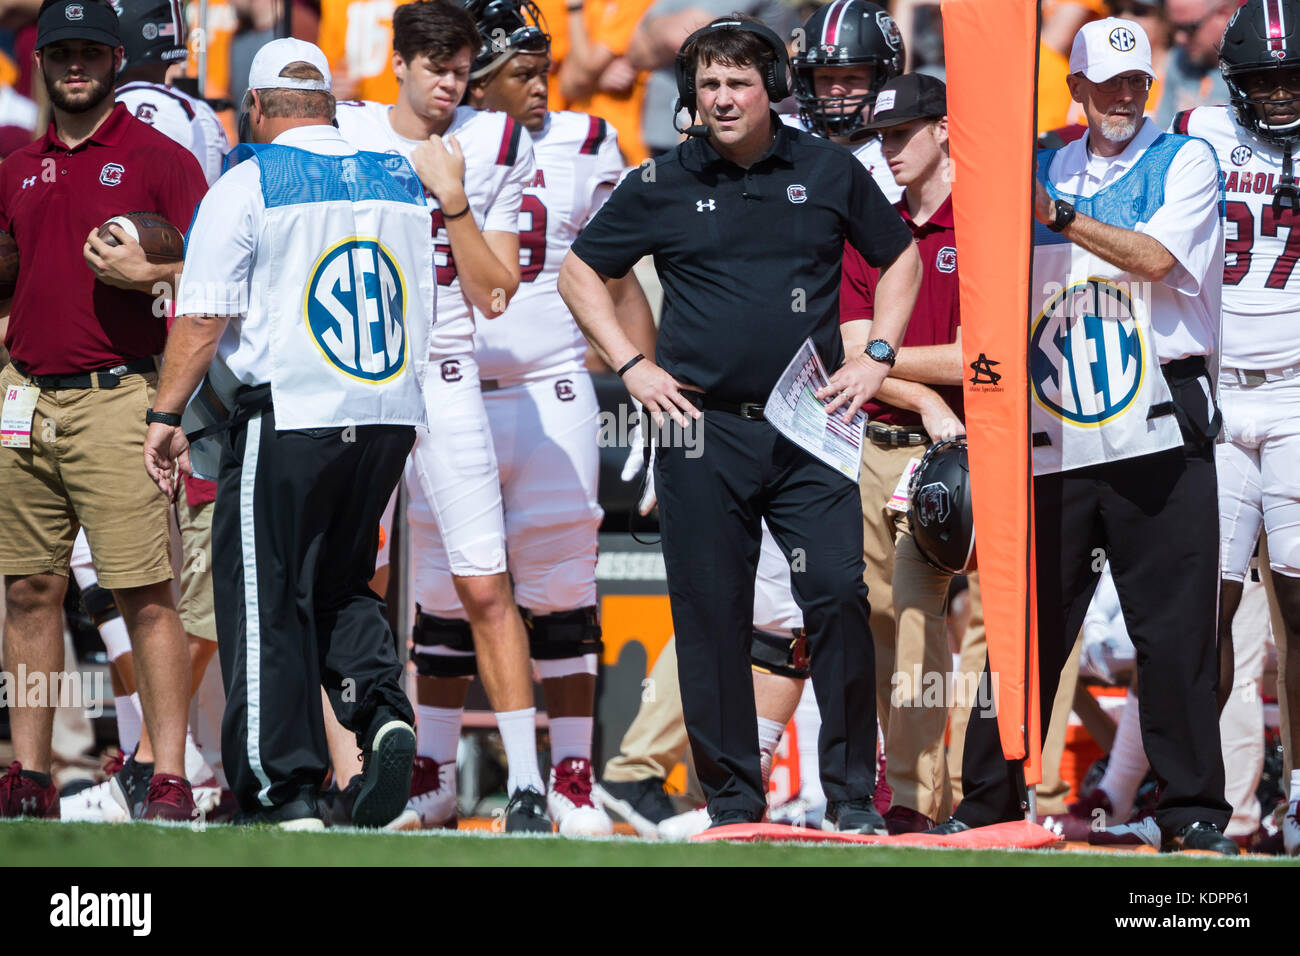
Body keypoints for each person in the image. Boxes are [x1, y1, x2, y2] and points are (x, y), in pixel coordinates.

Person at [560, 16, 921, 831]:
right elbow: (581, 270)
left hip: (808, 420)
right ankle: (733, 801)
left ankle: (853, 798)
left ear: (772, 91)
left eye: (737, 84)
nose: (721, 99)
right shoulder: (659, 180)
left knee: (835, 594)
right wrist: (630, 364)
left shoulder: (828, 170)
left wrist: (880, 357)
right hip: (700, 426)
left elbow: (899, 256)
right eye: (708, 85)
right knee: (710, 610)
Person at [932, 17, 1236, 855]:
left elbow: (1153, 260)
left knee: (1174, 631)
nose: (1123, 97)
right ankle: (987, 798)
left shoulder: (1185, 160)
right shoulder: (1033, 159)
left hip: (1160, 424)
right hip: (1051, 423)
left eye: (1135, 83)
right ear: (1076, 88)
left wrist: (1055, 214)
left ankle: (1192, 813)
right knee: (1026, 625)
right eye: (1106, 84)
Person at [143, 37, 431, 830]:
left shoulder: (250, 179)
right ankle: (380, 711)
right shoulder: (399, 176)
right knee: (342, 582)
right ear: (331, 106)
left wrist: (167, 416)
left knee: (263, 597)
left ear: (259, 108)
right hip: (386, 411)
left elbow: (202, 315)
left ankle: (283, 789)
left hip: (294, 408)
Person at [333, 0, 550, 832]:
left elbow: (495, 292)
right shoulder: (349, 131)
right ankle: (359, 774)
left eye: (460, 70)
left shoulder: (495, 142)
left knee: (484, 582)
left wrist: (453, 201)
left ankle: (526, 783)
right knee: (358, 580)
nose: (448, 85)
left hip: (450, 370)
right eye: (435, 68)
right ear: (400, 65)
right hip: (362, 369)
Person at [0, 0, 207, 822]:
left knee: (142, 591)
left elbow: (218, 283)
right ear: (41, 61)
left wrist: (152, 275)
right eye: (61, 51)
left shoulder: (162, 159)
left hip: (123, 394)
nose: (75, 64)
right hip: (24, 395)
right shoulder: (14, 167)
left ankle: (169, 772)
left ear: (118, 59)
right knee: (28, 590)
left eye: (91, 50)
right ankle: (30, 773)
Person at [1174, 0, 1300, 856]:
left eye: (1294, 77)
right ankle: (1197, 798)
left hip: (1298, 394)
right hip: (1214, 398)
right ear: (1237, 83)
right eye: (1267, 80)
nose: (1283, 94)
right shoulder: (1193, 130)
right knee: (1200, 612)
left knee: (1299, 605)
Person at [839, 71, 967, 834]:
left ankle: (920, 802)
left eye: (900, 134)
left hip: (950, 452)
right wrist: (919, 386)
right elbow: (851, 348)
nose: (886, 150)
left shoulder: (980, 226)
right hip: (874, 440)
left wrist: (885, 362)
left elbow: (983, 355)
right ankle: (908, 792)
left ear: (944, 129)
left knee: (921, 617)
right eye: (881, 136)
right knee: (881, 622)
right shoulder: (874, 229)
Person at [1156, 0, 1236, 126]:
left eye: (1190, 28)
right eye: (1174, 28)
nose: (1179, 38)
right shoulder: (1178, 59)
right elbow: (1163, 129)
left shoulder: (1251, 67)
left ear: (1223, 14)